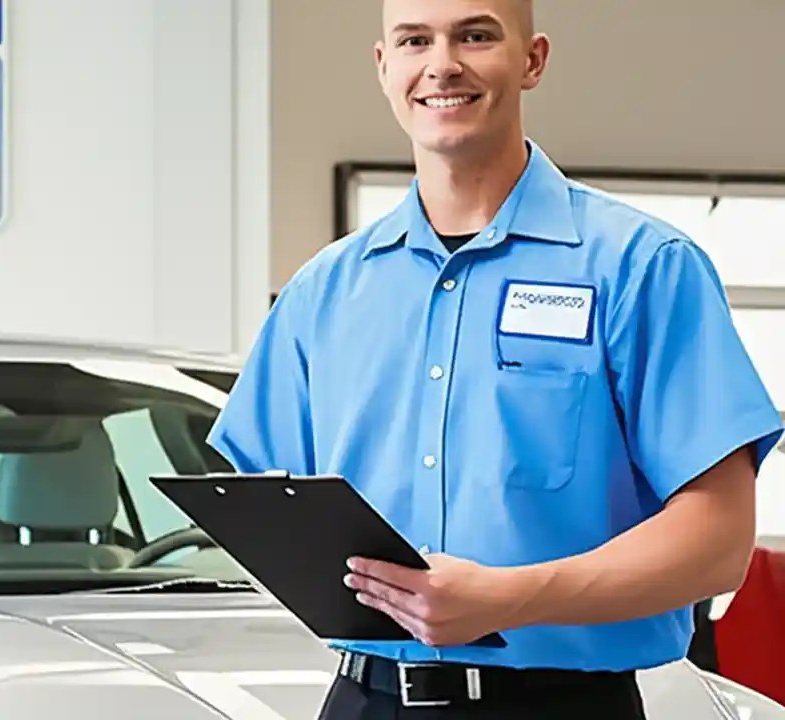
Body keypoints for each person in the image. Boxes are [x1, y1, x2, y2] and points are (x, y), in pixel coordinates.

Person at [206, 0, 783, 717]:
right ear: (385, 67)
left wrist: (507, 597)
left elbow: (719, 541)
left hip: (563, 704)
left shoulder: (643, 269)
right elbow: (270, 498)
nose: (441, 64)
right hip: (364, 701)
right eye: (414, 40)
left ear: (533, 60)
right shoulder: (323, 292)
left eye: (475, 36)